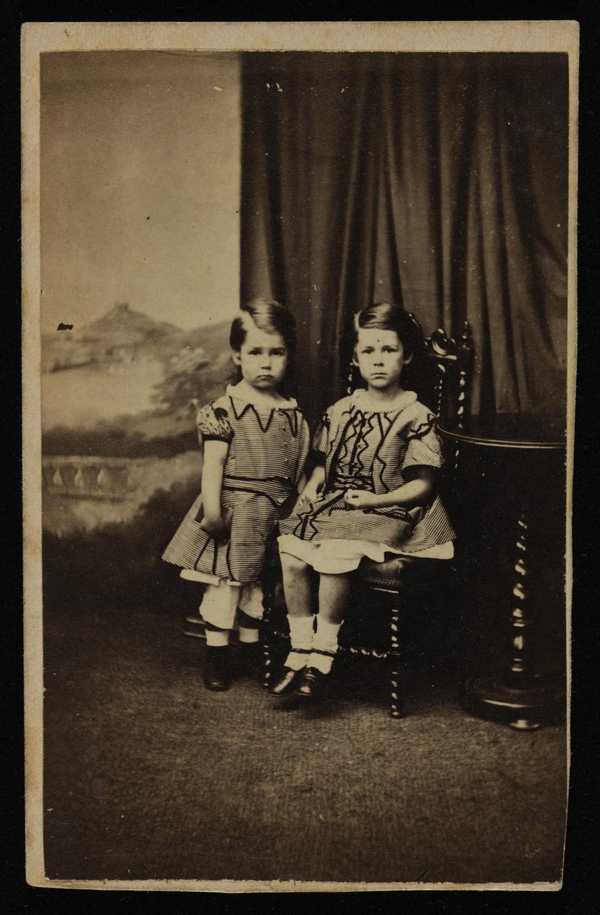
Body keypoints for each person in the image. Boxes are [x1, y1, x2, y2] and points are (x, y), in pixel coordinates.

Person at [273, 302, 455, 700]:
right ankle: (299, 649)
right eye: (368, 351)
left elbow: (423, 485)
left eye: (388, 350)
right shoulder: (341, 410)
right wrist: (313, 485)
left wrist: (377, 498)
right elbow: (322, 465)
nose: (378, 361)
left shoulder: (415, 414)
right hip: (339, 507)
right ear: (355, 358)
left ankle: (323, 657)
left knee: (336, 554)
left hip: (392, 508)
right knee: (292, 554)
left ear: (406, 356)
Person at [162, 300, 309, 691]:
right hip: (233, 509)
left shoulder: (292, 412)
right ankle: (218, 655)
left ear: (288, 356)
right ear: (237, 356)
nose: (266, 363)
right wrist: (213, 513)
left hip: (272, 512)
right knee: (225, 585)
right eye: (255, 352)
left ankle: (248, 649)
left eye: (276, 353)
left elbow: (296, 469)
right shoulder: (225, 410)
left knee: (256, 586)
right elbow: (214, 465)